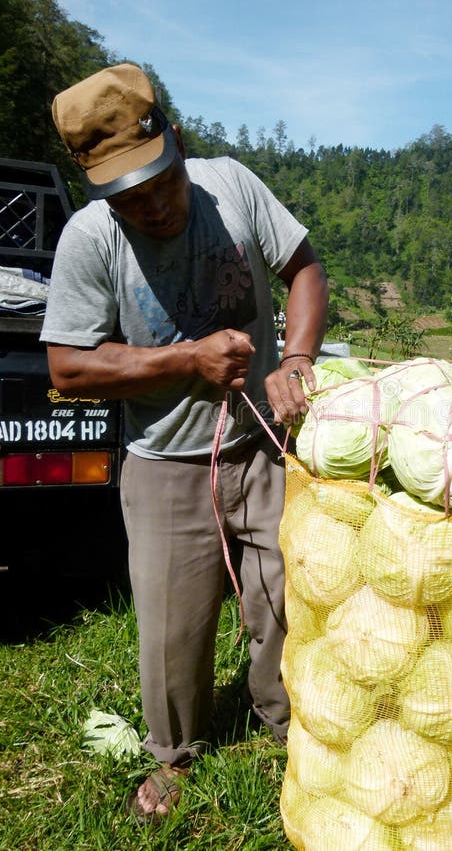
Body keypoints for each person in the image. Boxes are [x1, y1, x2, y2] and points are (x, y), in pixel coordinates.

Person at [41, 63, 328, 822]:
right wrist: (184, 359)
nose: (153, 206)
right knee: (173, 627)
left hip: (266, 445)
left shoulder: (230, 186)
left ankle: (282, 728)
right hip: (166, 464)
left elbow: (302, 267)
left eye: (159, 183)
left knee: (284, 601)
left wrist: (294, 358)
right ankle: (175, 755)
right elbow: (67, 366)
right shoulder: (88, 240)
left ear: (172, 139)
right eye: (127, 198)